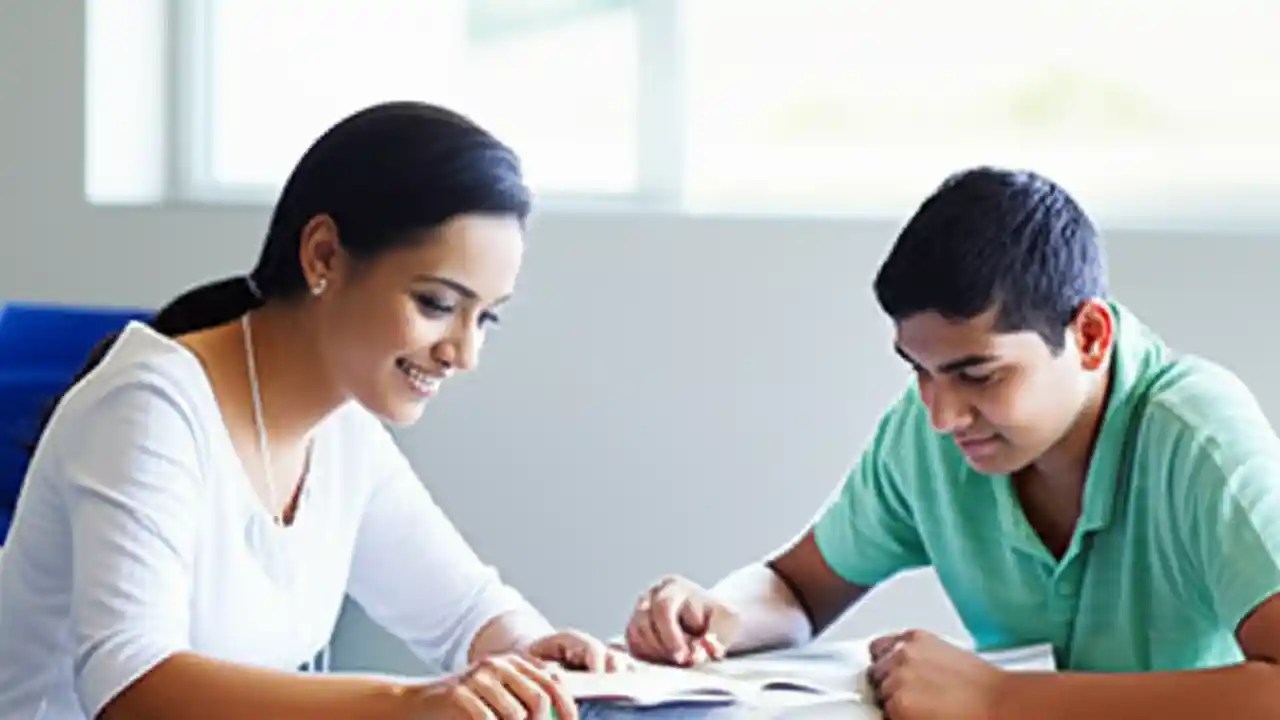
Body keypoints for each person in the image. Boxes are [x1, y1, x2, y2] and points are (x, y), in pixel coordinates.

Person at [0, 101, 627, 720]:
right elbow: (132, 686)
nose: (463, 353)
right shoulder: (147, 407)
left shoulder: (343, 429)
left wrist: (530, 653)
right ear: (323, 255)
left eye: (485, 317)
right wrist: (407, 703)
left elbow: (467, 610)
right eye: (436, 303)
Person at [623, 167, 1280, 719]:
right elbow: (796, 589)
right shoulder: (927, 433)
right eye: (919, 371)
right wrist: (721, 615)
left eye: (979, 375)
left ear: (1089, 337)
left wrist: (1002, 700)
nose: (942, 416)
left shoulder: (1202, 438)